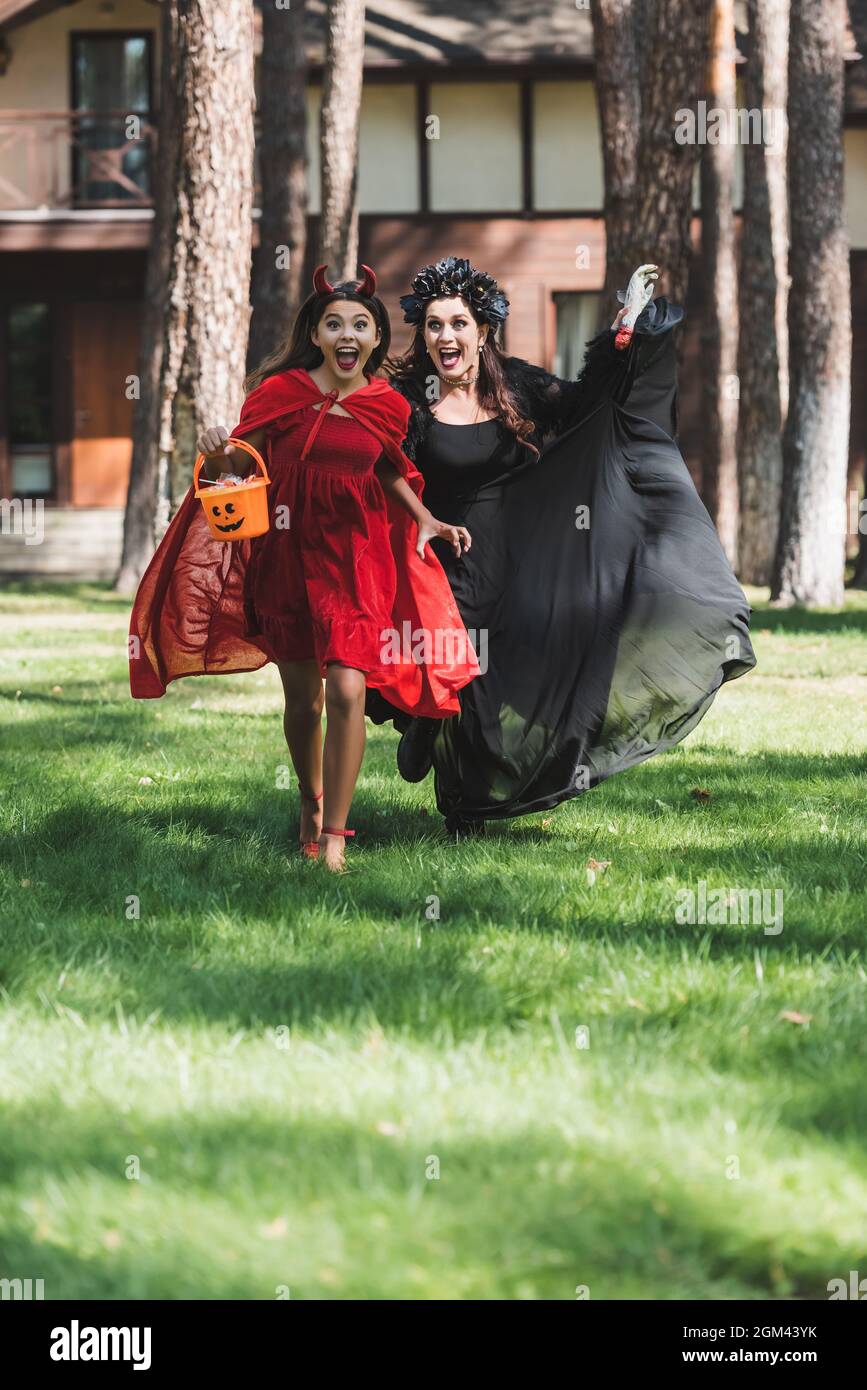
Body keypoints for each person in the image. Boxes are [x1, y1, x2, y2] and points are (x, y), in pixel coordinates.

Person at [367, 256, 756, 836]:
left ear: (482, 331)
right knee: (462, 667)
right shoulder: (404, 397)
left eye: (457, 324)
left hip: (521, 547)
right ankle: (437, 745)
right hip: (439, 555)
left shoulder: (517, 384)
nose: (445, 337)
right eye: (433, 325)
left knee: (500, 675)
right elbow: (370, 459)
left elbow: (589, 410)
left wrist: (622, 337)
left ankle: (468, 796)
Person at [128, 264, 479, 871]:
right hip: (288, 558)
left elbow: (386, 469)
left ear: (375, 340)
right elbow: (243, 464)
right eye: (334, 323)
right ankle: (309, 801)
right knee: (303, 702)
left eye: (361, 325)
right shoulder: (279, 395)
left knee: (347, 688)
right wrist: (221, 447)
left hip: (356, 561)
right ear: (315, 334)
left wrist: (426, 518)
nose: (348, 333)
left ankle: (336, 836)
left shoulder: (386, 405)